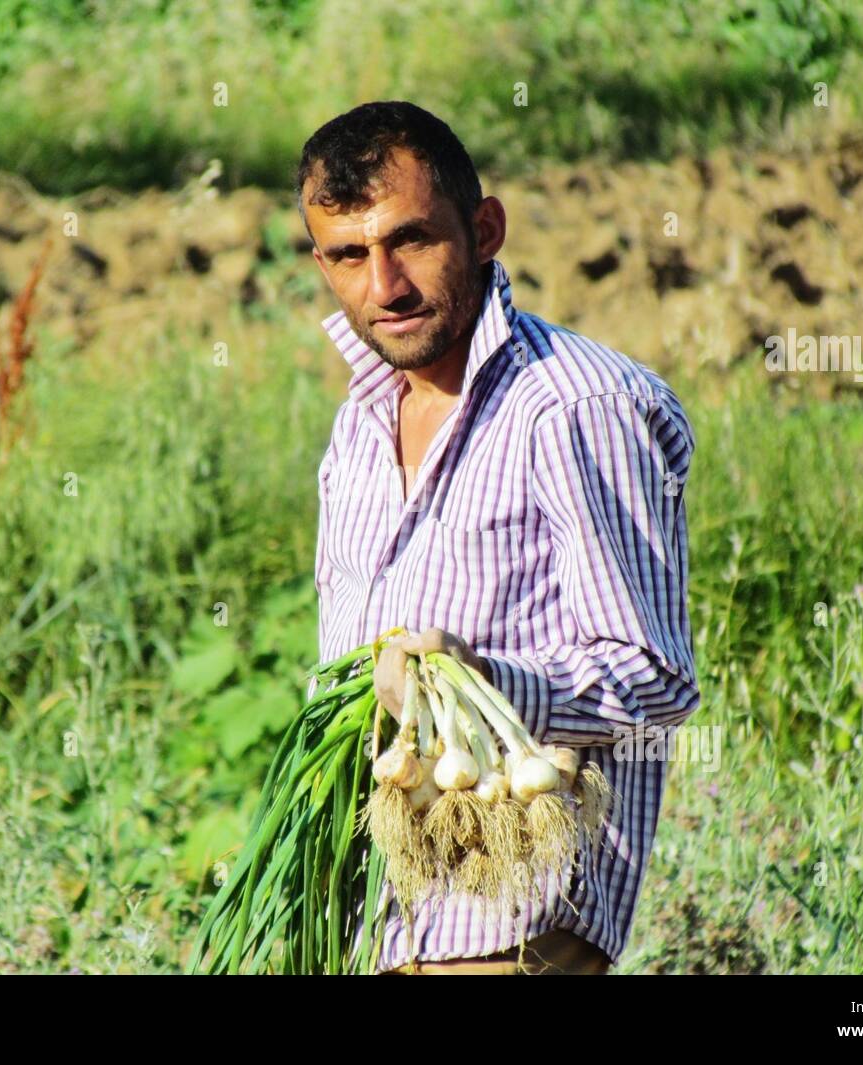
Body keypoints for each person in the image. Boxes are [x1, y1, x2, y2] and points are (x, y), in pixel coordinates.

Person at [296, 101, 700, 974]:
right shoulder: (359, 427)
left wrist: (485, 684)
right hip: (374, 928)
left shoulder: (575, 408)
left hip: (510, 930)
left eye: (411, 241)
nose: (384, 286)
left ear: (484, 230)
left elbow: (657, 678)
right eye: (347, 255)